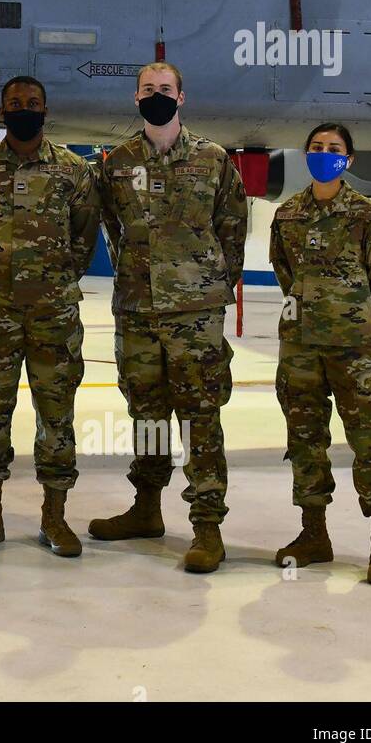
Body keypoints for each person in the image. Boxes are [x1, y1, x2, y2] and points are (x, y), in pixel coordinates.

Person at [91, 61, 247, 573]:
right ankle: (147, 509)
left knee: (201, 417)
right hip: (137, 310)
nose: (157, 95)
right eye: (148, 89)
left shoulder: (214, 159)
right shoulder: (117, 163)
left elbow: (232, 227)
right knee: (147, 414)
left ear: (182, 97)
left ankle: (207, 527)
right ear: (136, 98)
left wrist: (208, 285)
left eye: (166, 89)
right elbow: (112, 228)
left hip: (196, 315)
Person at [0, 76, 100, 557]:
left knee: (56, 417)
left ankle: (54, 520)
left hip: (54, 314)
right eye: (15, 103)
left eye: (32, 103)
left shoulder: (74, 171)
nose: (24, 109)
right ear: (2, 108)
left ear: (45, 108)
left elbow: (84, 241)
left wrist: (50, 284)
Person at [270, 122, 371, 585]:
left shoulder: (366, 217)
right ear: (305, 153)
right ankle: (314, 536)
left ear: (348, 159)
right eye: (316, 147)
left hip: (357, 353)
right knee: (305, 442)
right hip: (302, 350)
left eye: (334, 149)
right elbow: (285, 274)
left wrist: (354, 322)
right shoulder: (286, 215)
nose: (324, 153)